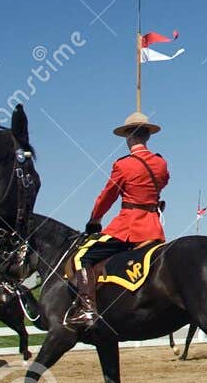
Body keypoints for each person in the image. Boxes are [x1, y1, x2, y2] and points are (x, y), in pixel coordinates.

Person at [66, 111, 169, 330]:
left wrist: (95, 219)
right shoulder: (161, 163)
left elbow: (107, 195)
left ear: (128, 137)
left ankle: (87, 309)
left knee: (82, 256)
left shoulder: (124, 165)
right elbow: (164, 182)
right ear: (147, 136)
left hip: (130, 227)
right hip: (153, 228)